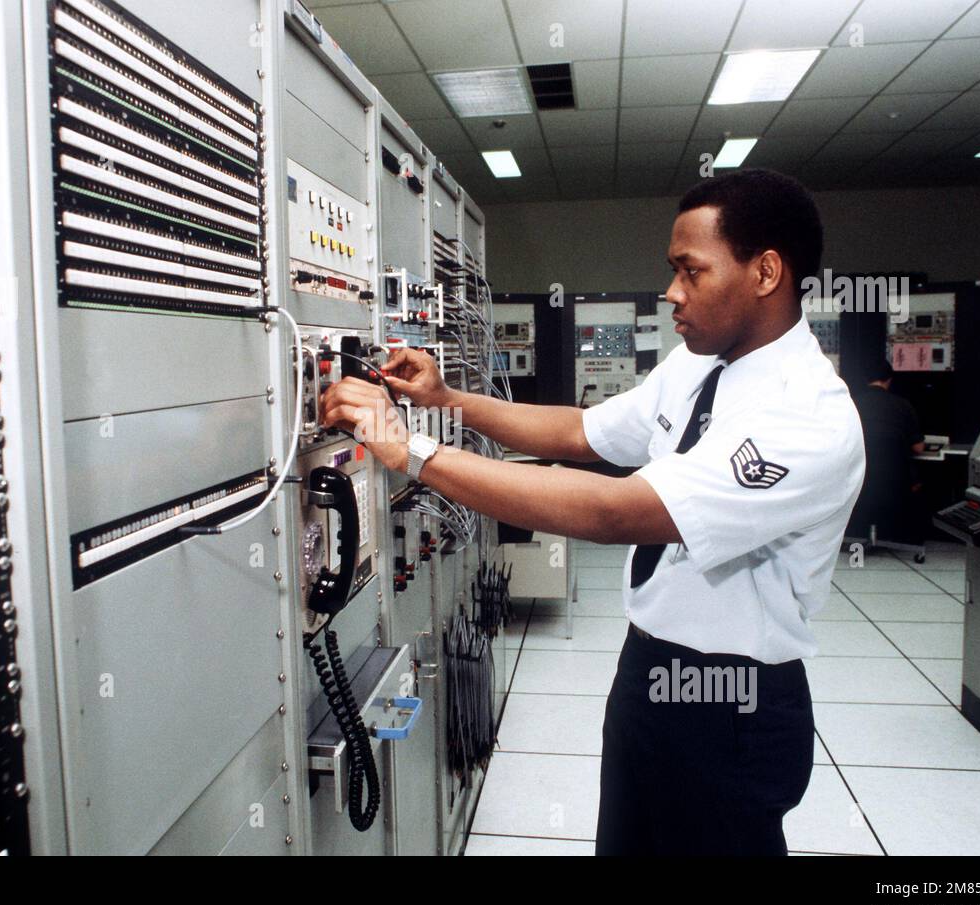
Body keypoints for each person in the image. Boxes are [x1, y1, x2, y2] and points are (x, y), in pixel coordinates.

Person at [319, 168, 865, 855]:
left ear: (765, 272)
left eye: (690, 271)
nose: (672, 292)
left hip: (734, 702)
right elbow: (581, 433)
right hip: (648, 667)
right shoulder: (697, 365)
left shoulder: (807, 415)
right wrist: (444, 400)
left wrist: (412, 453)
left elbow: (618, 511)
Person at [847, 359, 926, 545]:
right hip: (895, 481)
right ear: (889, 380)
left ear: (866, 379)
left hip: (859, 479)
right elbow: (918, 448)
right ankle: (905, 538)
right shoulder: (902, 405)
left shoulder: (852, 404)